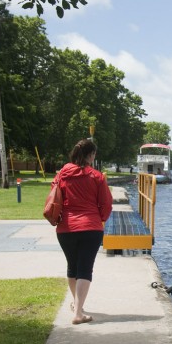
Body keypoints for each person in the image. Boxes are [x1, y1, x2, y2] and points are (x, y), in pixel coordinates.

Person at [54, 139, 113, 324]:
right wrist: (99, 218)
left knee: (72, 268)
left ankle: (77, 305)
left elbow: (55, 197)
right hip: (90, 227)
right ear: (91, 155)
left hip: (66, 228)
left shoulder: (62, 174)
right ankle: (78, 313)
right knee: (85, 269)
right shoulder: (97, 177)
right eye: (94, 154)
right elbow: (106, 204)